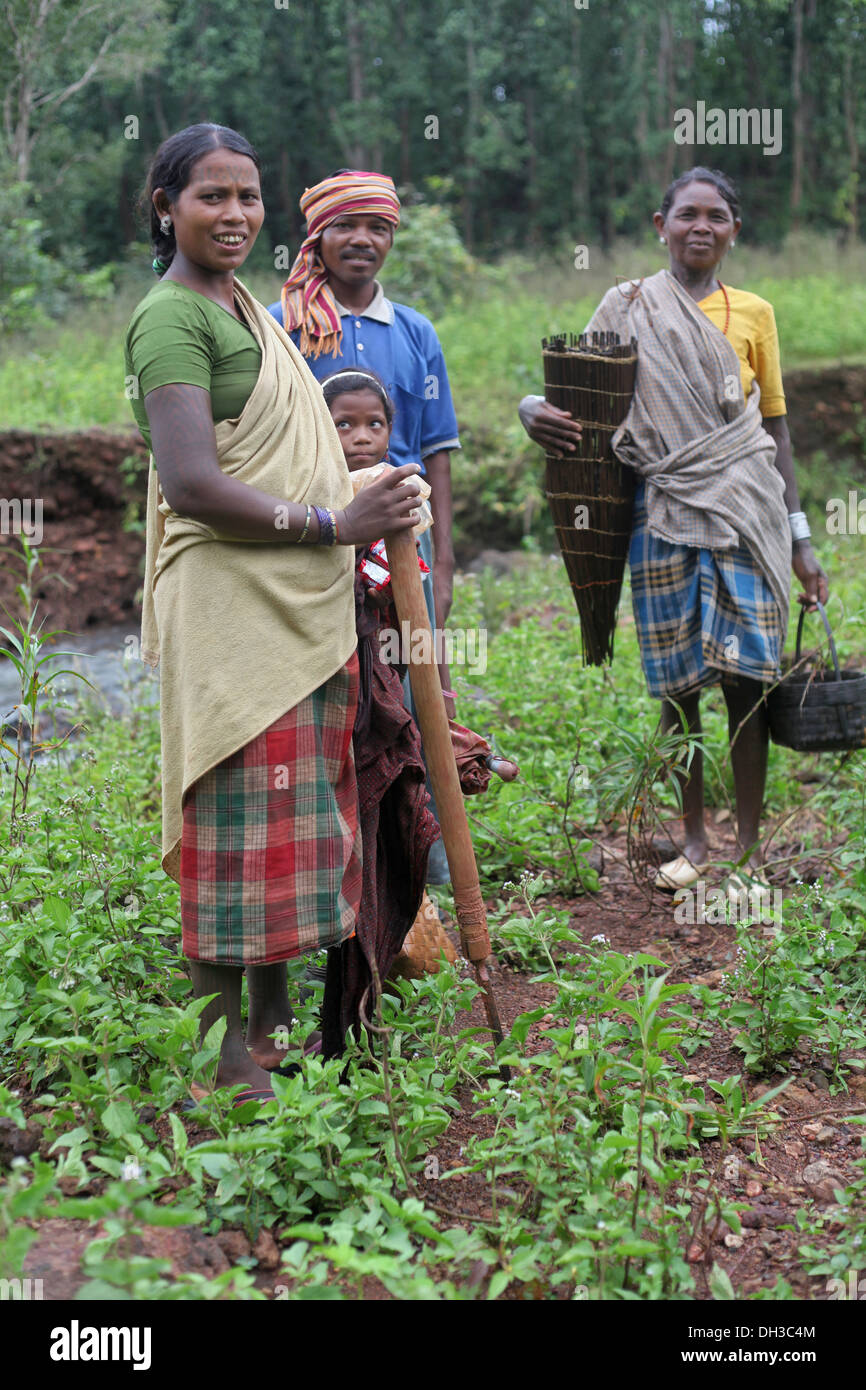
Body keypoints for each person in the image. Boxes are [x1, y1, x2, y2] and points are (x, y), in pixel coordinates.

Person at [124, 124, 425, 1105]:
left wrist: (367, 501)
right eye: (211, 197)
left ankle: (269, 1029)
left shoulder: (244, 308)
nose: (234, 215)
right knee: (231, 831)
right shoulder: (173, 318)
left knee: (287, 828)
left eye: (248, 197)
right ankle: (223, 1064)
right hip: (228, 610)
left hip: (290, 605)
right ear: (166, 204)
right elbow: (195, 482)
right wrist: (335, 518)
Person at [518, 167, 828, 895]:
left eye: (717, 216)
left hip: (748, 508)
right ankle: (693, 839)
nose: (701, 226)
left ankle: (747, 848)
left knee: (747, 679)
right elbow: (574, 393)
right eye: (687, 213)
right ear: (660, 225)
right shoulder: (625, 306)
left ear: (734, 231)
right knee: (677, 683)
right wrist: (531, 404)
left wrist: (803, 537)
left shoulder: (755, 312)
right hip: (660, 510)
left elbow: (775, 429)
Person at [266, 170, 461, 882]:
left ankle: (418, 879)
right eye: (347, 226)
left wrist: (441, 564)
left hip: (404, 545)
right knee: (330, 705)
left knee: (412, 700)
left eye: (378, 228)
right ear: (317, 235)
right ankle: (332, 883)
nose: (363, 240)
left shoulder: (412, 331)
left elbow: (435, 448)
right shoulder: (279, 324)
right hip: (315, 541)